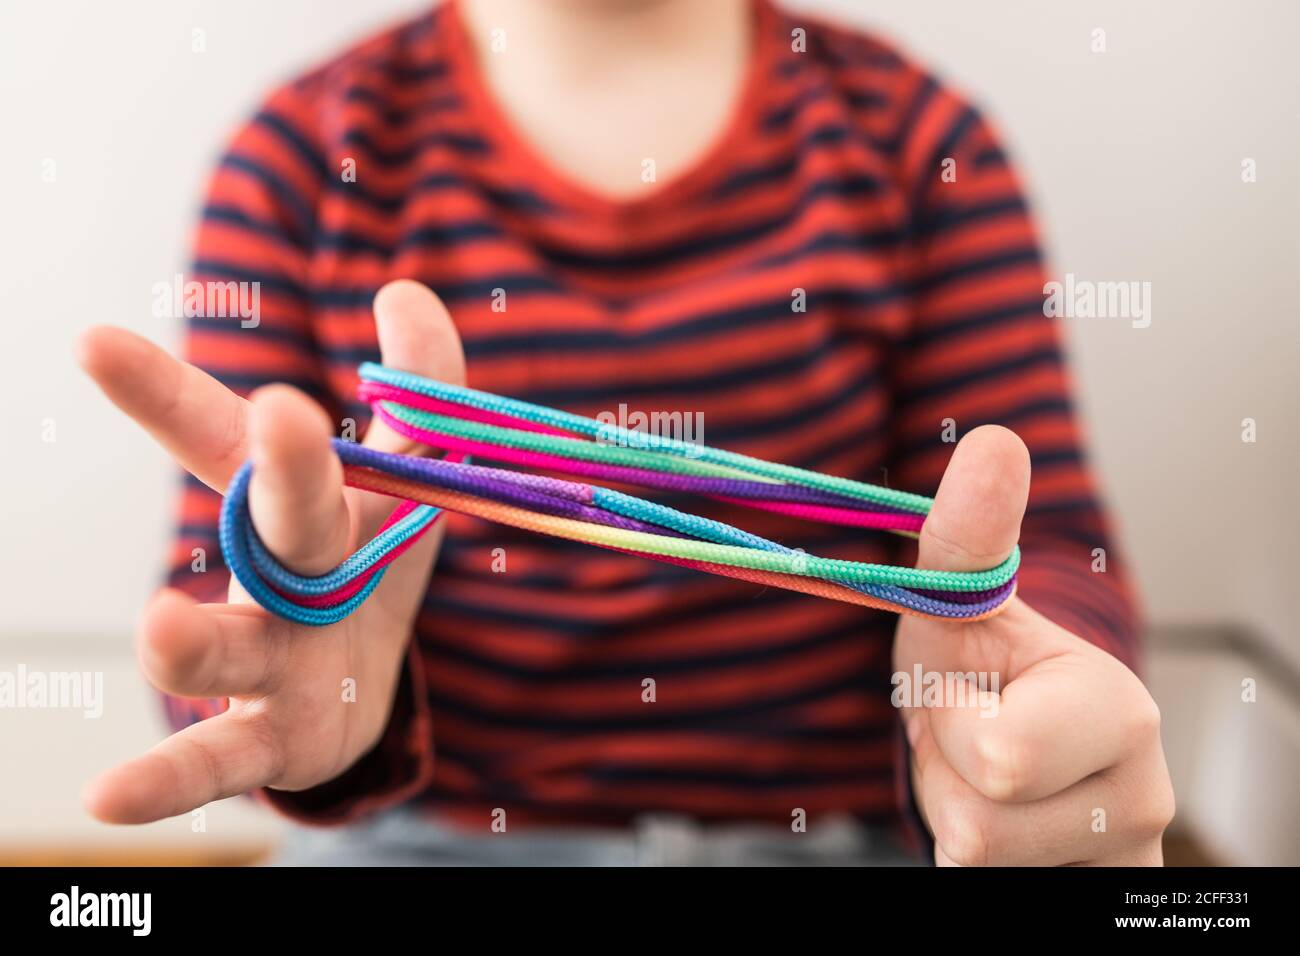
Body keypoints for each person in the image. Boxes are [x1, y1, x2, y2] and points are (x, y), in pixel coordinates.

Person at [75, 0, 1173, 865]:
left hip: (855, 835)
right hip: (422, 837)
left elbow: (1045, 551)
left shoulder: (921, 145)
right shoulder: (300, 160)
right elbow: (221, 586)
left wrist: (1024, 716)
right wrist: (290, 670)